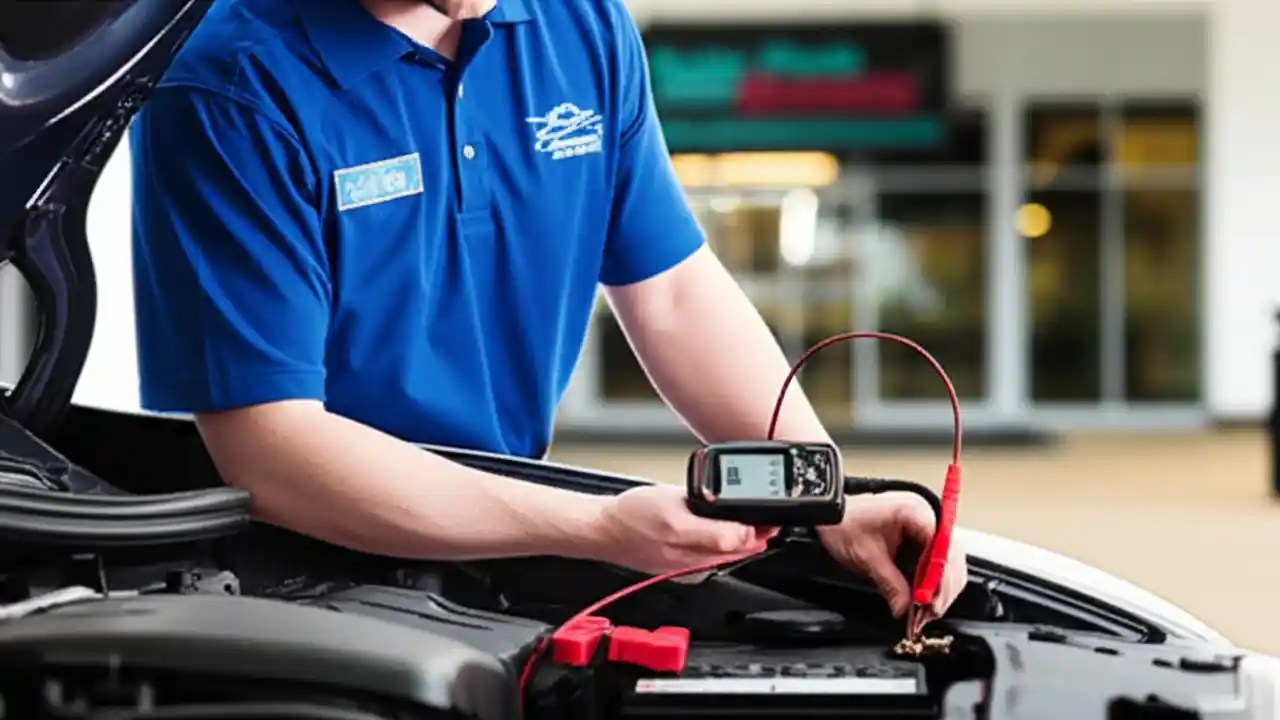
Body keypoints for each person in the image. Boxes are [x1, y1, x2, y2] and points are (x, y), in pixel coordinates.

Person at [129, 0, 968, 623]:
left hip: (505, 542)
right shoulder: (228, 86)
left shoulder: (581, 27)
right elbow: (270, 451)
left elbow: (673, 293)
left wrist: (823, 492)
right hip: (301, 578)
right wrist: (598, 527)